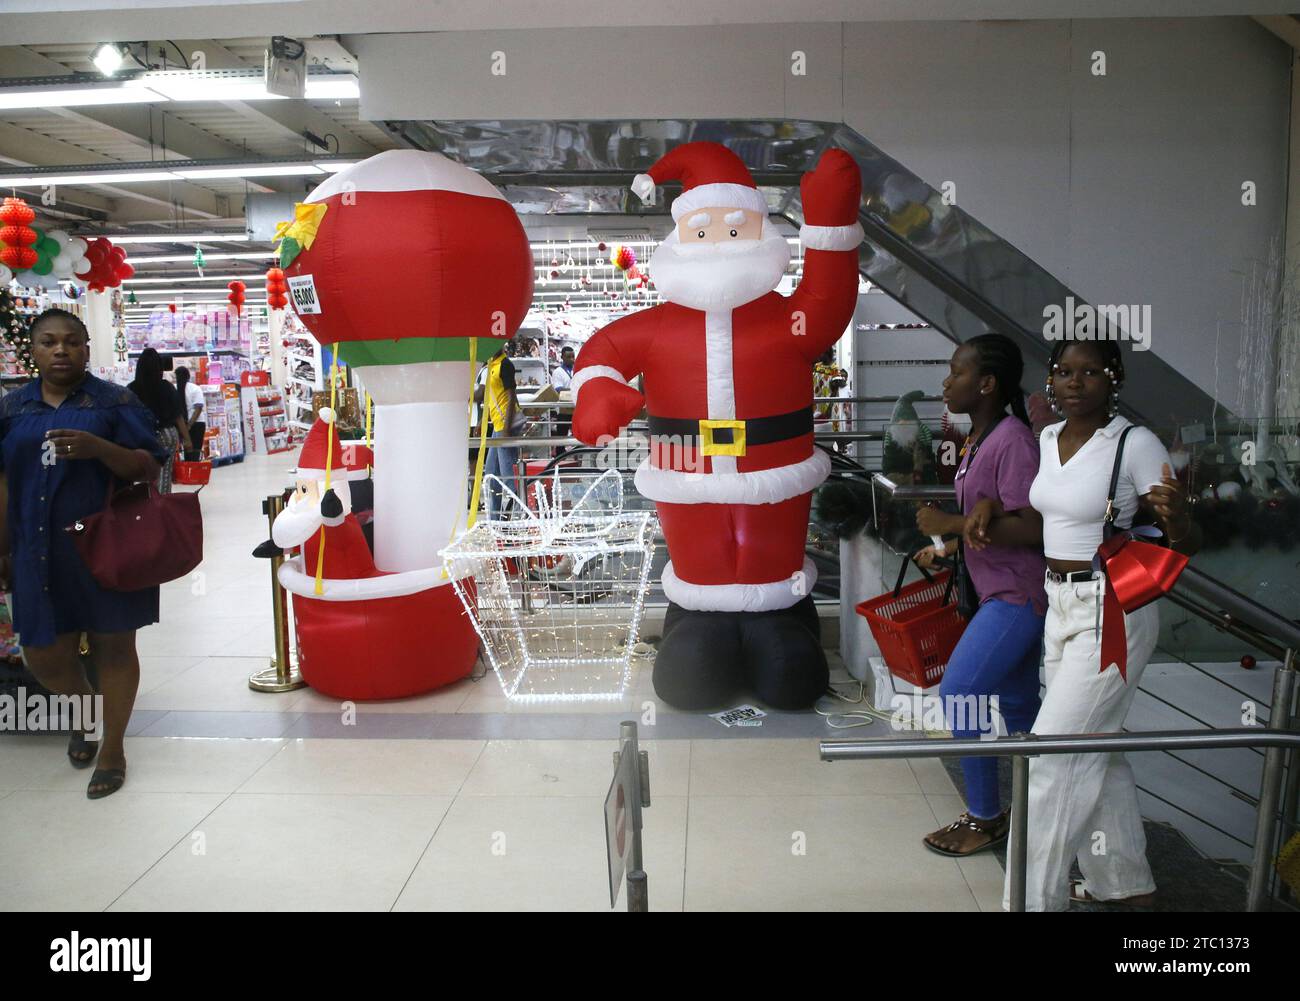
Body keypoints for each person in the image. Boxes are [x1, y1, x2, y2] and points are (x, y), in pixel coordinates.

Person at [969, 338, 1199, 910]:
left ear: (1113, 379)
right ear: (1051, 380)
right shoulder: (1046, 439)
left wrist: (1179, 518)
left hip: (1112, 609)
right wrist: (988, 508)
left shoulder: (1133, 443)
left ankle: (1028, 902)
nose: (1075, 382)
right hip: (1059, 603)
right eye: (1065, 372)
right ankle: (1124, 885)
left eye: (1090, 372)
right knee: (1098, 751)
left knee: (1050, 759)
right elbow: (1045, 509)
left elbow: (1183, 541)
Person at [0, 308, 166, 799]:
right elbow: (4, 479)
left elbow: (147, 467)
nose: (60, 350)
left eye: (71, 342)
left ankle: (111, 746)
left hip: (107, 544)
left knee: (115, 645)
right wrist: (3, 546)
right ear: (32, 350)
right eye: (48, 342)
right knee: (43, 654)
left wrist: (99, 449)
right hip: (35, 548)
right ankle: (87, 710)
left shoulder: (114, 402)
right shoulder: (12, 409)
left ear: (87, 348)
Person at [912, 334, 1046, 857]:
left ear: (986, 383)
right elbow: (994, 515)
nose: (947, 382)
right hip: (998, 592)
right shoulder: (981, 437)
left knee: (960, 692)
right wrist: (948, 543)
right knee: (1017, 707)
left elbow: (1033, 526)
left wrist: (952, 521)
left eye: (956, 372)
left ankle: (986, 817)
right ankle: (1043, 813)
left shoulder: (1012, 440)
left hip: (1016, 597)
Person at [473, 339, 522, 518]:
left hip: (504, 426)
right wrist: (481, 422)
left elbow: (511, 397)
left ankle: (518, 515)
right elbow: (486, 395)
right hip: (498, 426)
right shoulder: (491, 366)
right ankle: (494, 519)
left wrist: (507, 429)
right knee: (491, 474)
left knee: (509, 476)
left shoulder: (505, 365)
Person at [127, 348, 187, 493]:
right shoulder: (166, 386)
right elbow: (178, 415)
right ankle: (162, 504)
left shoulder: (131, 389)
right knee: (165, 473)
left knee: (145, 472)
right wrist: (187, 438)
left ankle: (147, 503)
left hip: (142, 436)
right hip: (167, 434)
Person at [175, 366, 206, 462]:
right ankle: (194, 471)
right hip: (197, 424)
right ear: (188, 376)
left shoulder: (174, 389)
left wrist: (184, 427)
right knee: (195, 451)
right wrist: (189, 425)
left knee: (185, 452)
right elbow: (198, 408)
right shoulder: (195, 388)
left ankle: (187, 470)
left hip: (181, 424)